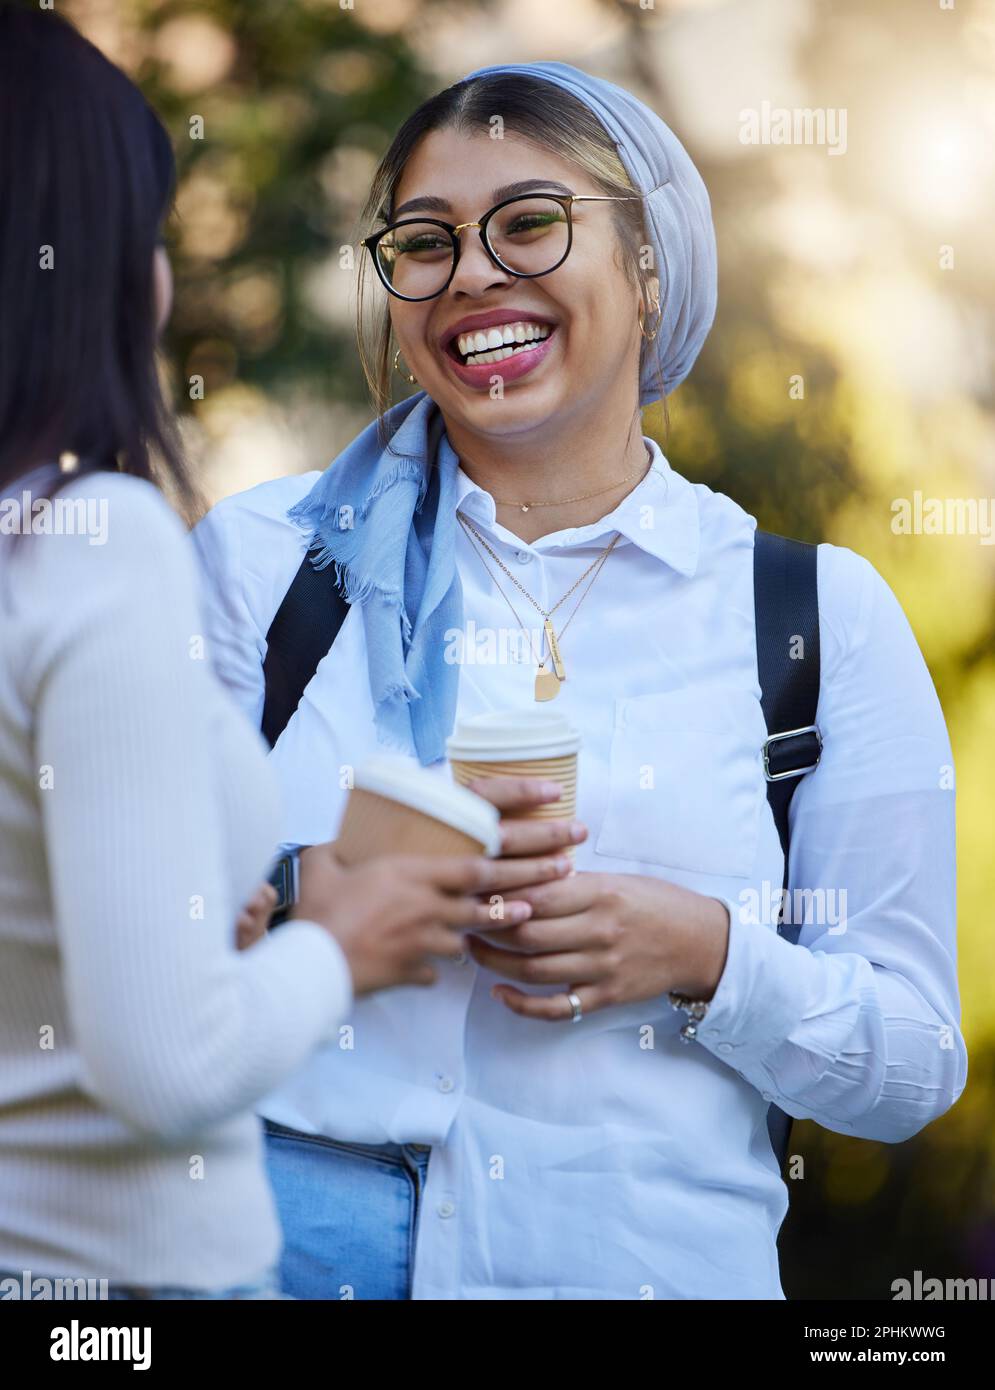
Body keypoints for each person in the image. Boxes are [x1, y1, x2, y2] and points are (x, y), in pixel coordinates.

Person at [192, 61, 968, 1299]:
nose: (472, 277)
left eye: (530, 222)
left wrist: (704, 952)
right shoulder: (262, 565)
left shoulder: (810, 620)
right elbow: (110, 942)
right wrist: (309, 897)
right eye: (426, 241)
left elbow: (913, 1063)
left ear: (647, 264)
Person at [0, 7, 565, 1301]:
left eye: (526, 225)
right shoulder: (94, 541)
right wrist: (346, 935)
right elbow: (167, 1068)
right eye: (141, 233)